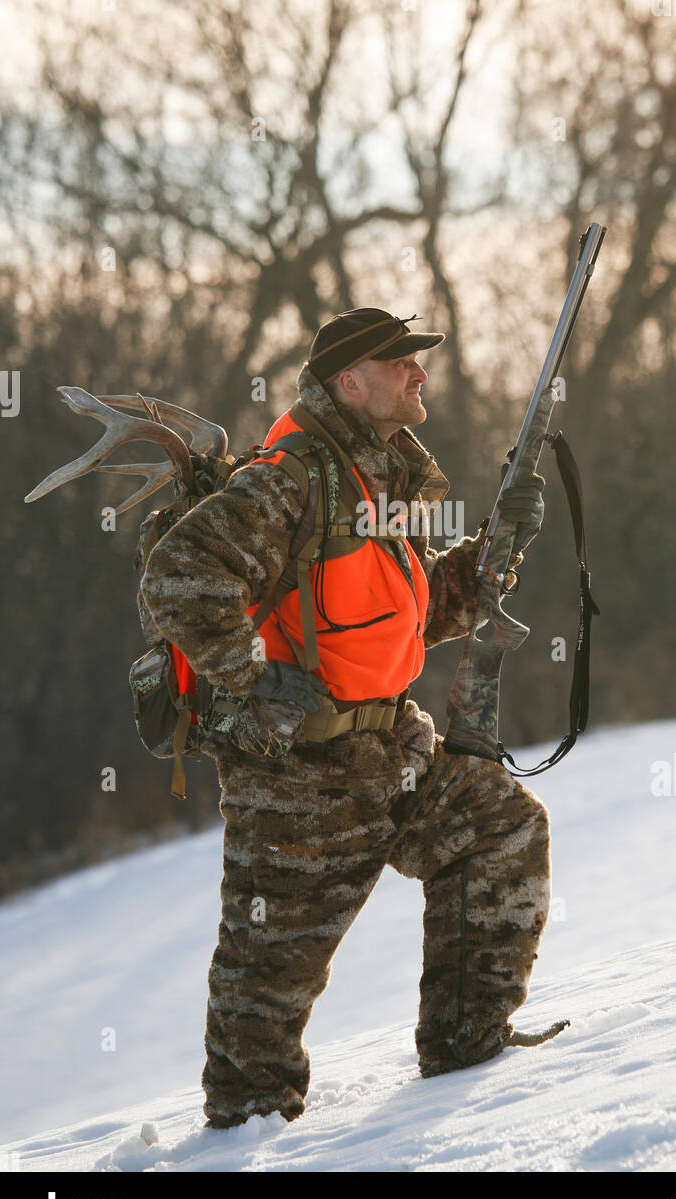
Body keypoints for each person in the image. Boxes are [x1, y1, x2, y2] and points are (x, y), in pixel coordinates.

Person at [139, 307, 552, 1129]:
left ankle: (467, 1047)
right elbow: (178, 574)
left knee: (499, 827)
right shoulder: (293, 476)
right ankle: (241, 1138)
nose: (419, 373)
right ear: (348, 382)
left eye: (417, 360)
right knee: (262, 1010)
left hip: (390, 753)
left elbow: (406, 614)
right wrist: (254, 680)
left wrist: (492, 552)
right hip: (299, 787)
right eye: (400, 361)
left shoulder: (371, 476)